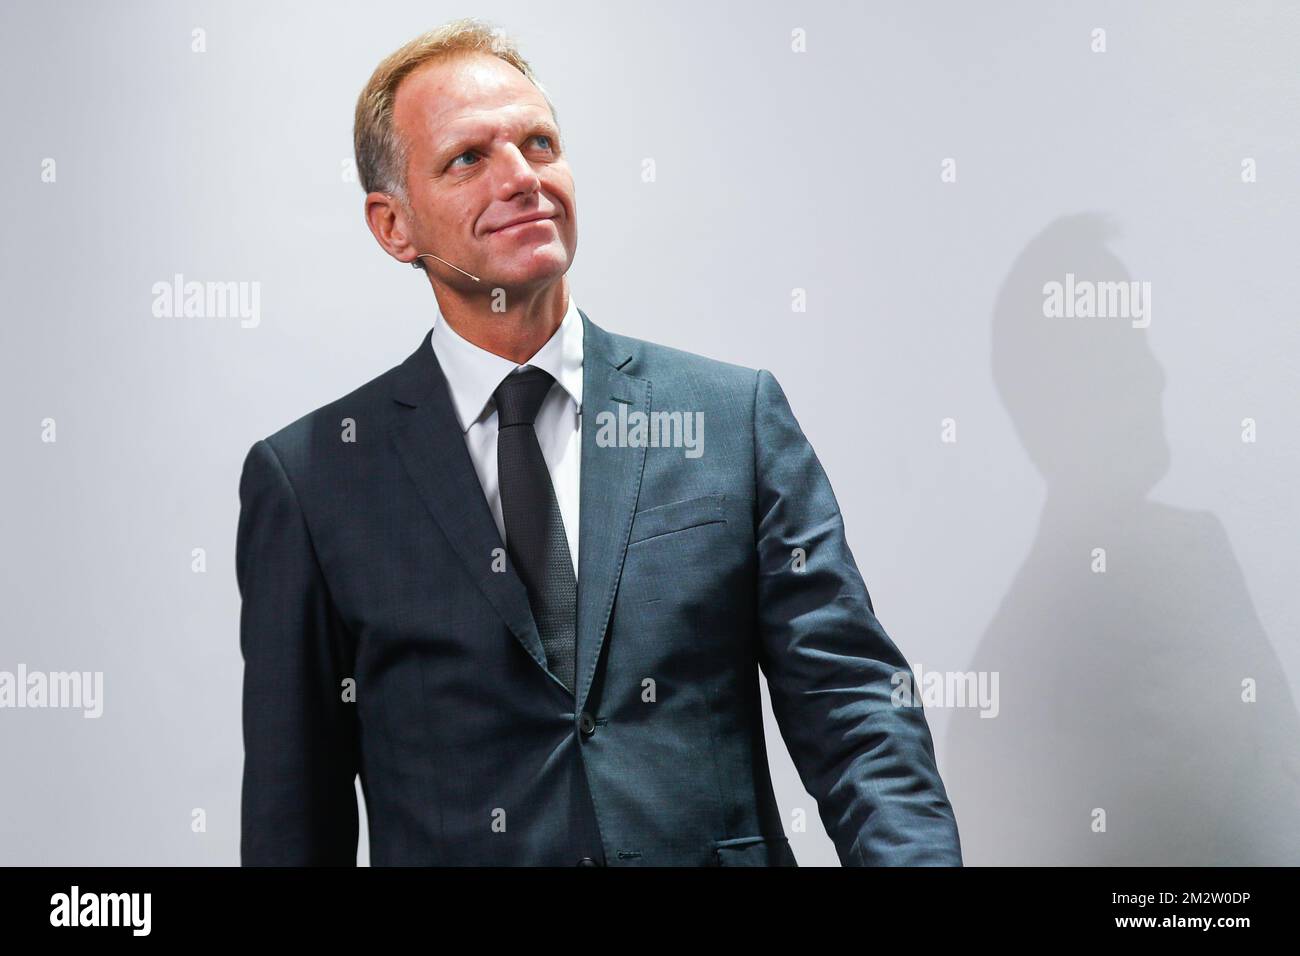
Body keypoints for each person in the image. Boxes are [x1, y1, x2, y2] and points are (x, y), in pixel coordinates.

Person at [236, 18, 962, 866]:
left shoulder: (731, 419)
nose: (522, 178)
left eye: (539, 143)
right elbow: (295, 820)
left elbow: (854, 710)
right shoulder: (312, 479)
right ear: (394, 226)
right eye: (469, 158)